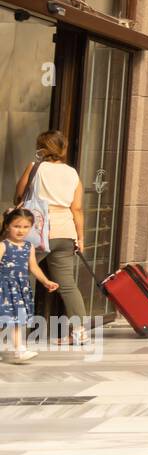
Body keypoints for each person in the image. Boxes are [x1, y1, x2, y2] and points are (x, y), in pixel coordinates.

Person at [13, 131, 89, 346]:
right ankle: (80, 332)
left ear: (41, 147)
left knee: (15, 275)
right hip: (65, 232)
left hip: (37, 232)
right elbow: (77, 208)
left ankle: (12, 329)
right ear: (63, 149)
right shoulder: (72, 173)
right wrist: (80, 238)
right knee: (68, 285)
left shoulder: (35, 168)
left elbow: (19, 195)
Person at [0, 207, 59, 363]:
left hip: (20, 289)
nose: (21, 230)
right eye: (16, 226)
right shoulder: (3, 245)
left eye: (26, 227)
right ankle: (19, 350)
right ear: (7, 226)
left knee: (18, 320)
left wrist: (46, 281)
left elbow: (33, 267)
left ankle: (19, 350)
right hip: (3, 288)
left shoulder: (29, 246)